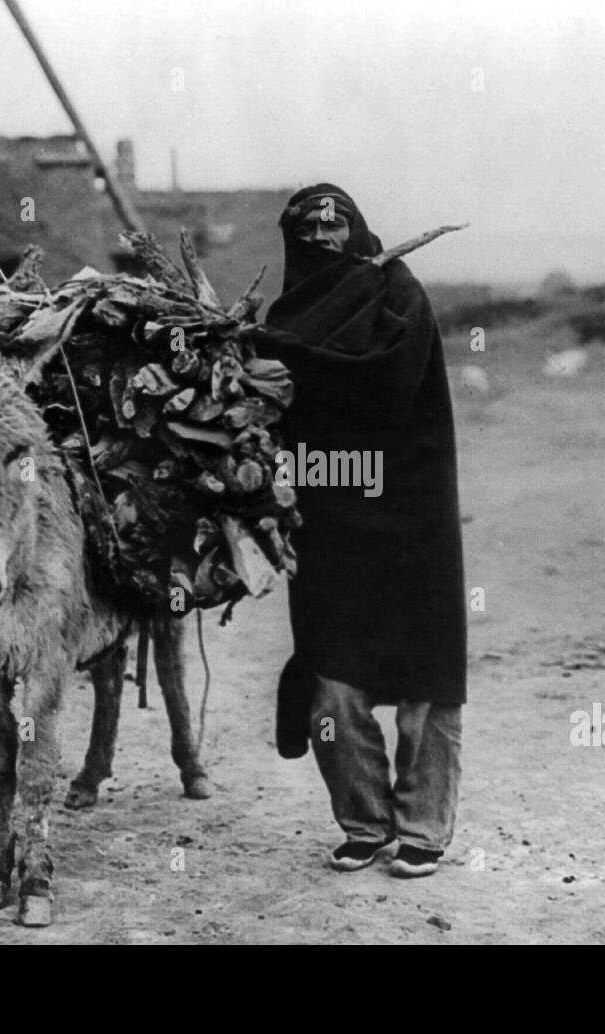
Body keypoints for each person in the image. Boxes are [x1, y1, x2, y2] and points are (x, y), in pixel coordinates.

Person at [243, 184, 467, 878]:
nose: (326, 237)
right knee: (333, 675)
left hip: (411, 507)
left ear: (360, 227)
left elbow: (385, 384)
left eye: (337, 223)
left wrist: (289, 363)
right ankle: (365, 823)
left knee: (425, 677)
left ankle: (423, 827)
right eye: (310, 229)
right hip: (330, 514)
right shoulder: (292, 312)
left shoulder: (399, 293)